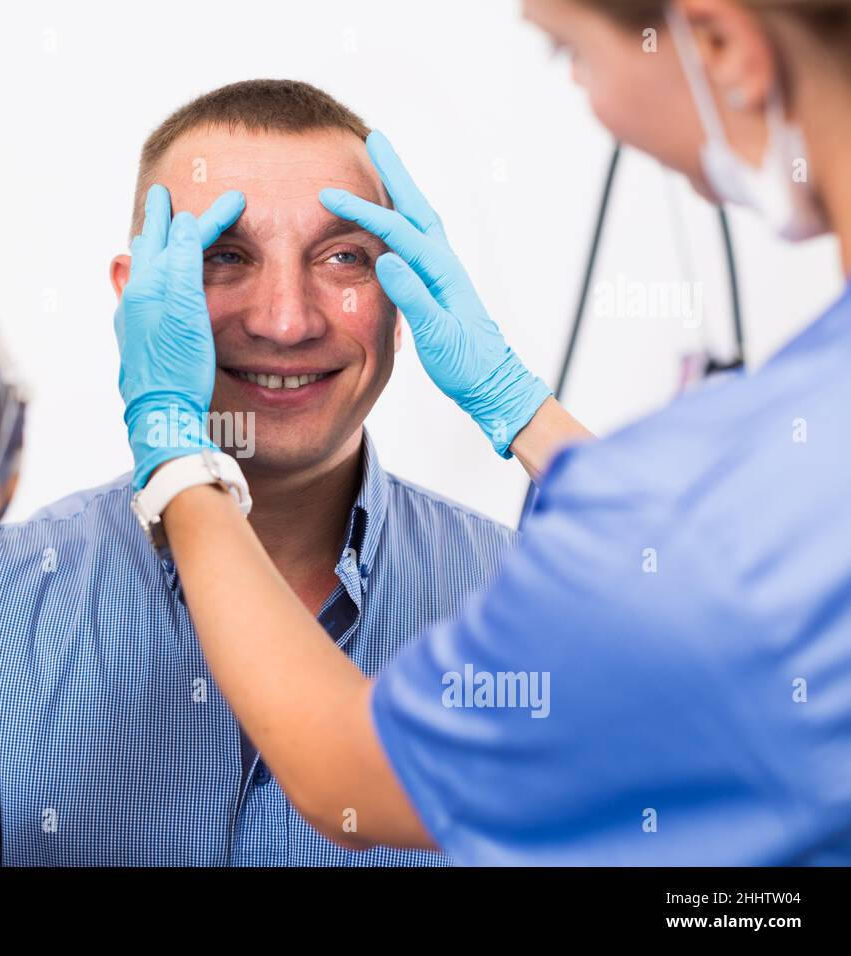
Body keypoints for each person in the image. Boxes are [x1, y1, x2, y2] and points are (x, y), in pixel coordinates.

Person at [0, 80, 521, 866]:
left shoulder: (523, 596)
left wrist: (521, 406)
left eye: (341, 257)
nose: (285, 319)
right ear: (134, 300)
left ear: (407, 296)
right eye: (222, 257)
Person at [113, 0, 851, 864]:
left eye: (567, 52)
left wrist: (171, 457)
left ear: (721, 43)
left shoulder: (563, 561)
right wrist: (523, 408)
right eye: (223, 256)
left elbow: (356, 774)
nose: (285, 319)